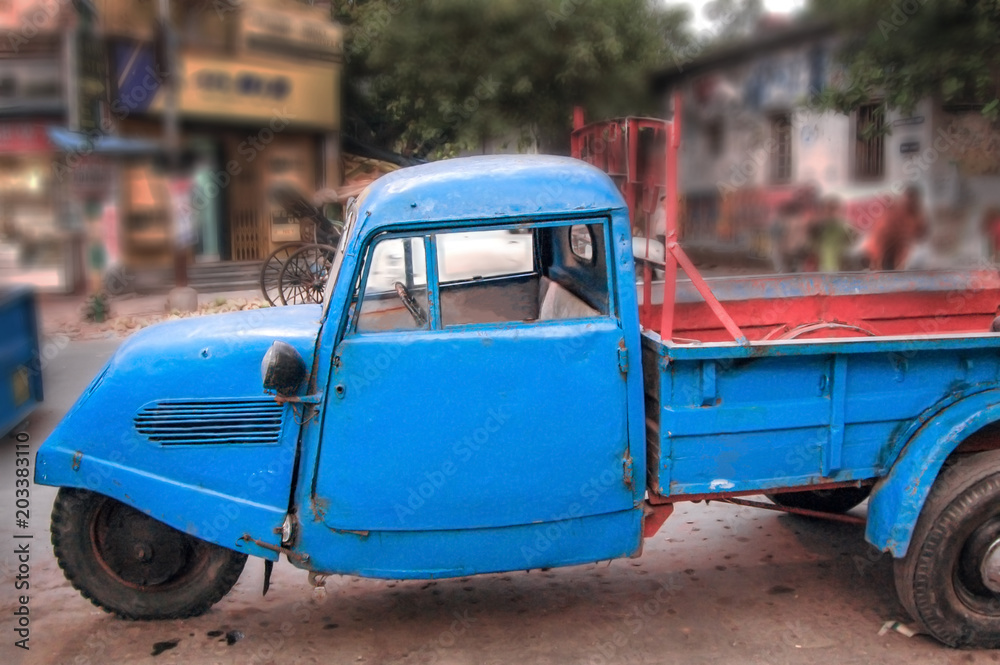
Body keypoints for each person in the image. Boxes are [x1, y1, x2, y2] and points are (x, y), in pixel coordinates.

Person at [865, 186, 928, 270]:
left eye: (912, 199)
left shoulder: (915, 216)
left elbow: (921, 233)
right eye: (908, 198)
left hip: (898, 251)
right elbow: (882, 231)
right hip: (882, 248)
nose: (910, 201)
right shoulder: (894, 211)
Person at [809, 196, 852, 272]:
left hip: (838, 267)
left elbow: (850, 242)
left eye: (832, 210)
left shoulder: (843, 227)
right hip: (823, 266)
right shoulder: (819, 227)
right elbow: (812, 244)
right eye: (828, 210)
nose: (829, 213)